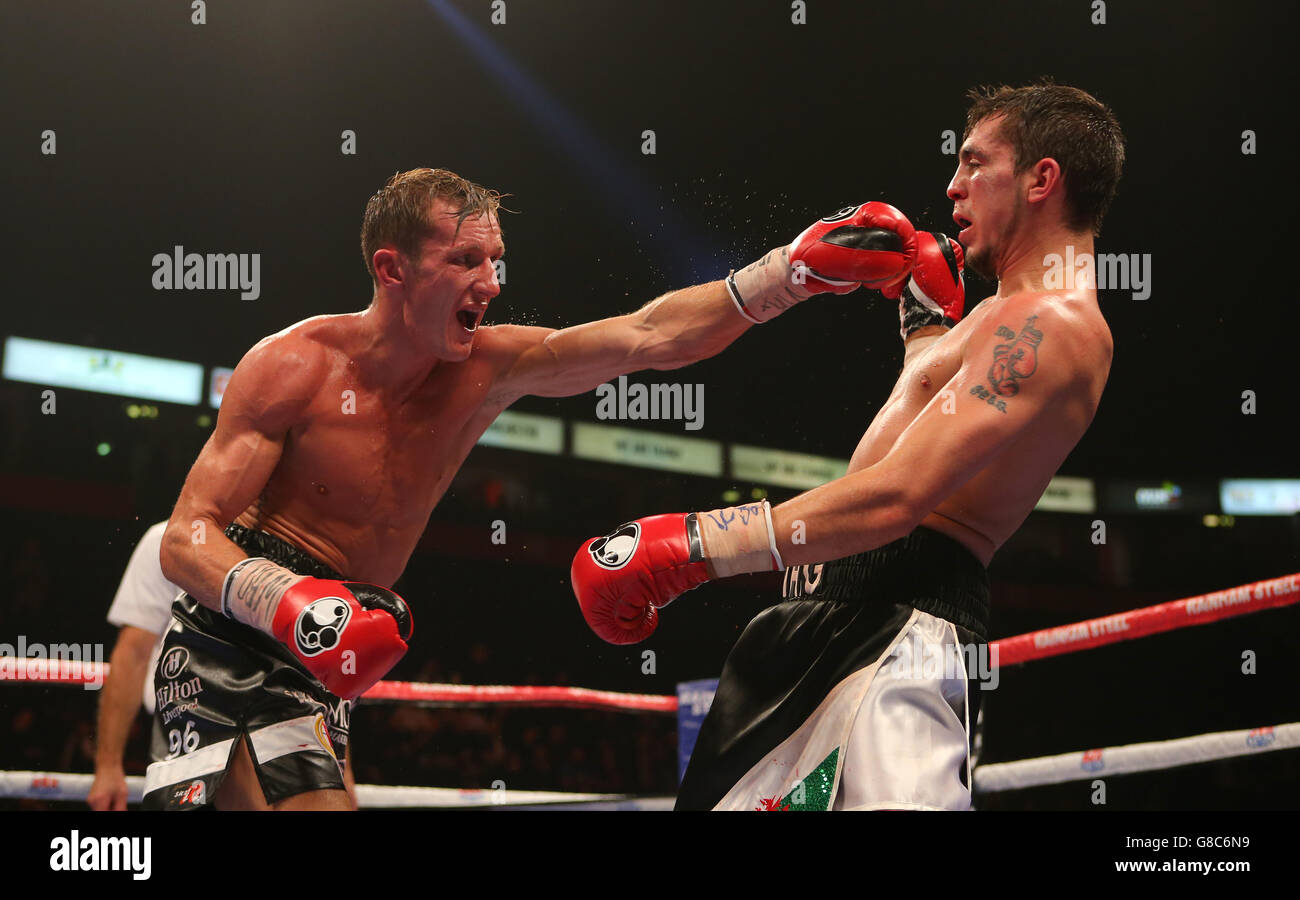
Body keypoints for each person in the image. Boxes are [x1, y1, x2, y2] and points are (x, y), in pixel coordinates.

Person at [143, 167, 919, 810]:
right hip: (231, 638)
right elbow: (184, 540)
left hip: (332, 650)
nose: (490, 282)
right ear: (391, 269)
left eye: (495, 260)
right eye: (465, 260)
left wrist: (786, 274)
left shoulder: (486, 369)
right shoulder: (294, 366)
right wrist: (290, 602)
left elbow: (648, 336)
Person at [571, 82, 1125, 811]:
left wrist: (697, 545)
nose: (952, 186)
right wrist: (925, 326)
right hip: (822, 617)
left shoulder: (1052, 323)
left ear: (1041, 179)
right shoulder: (1001, 317)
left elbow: (899, 495)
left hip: (895, 630)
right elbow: (922, 417)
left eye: (974, 162)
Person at [90, 521, 359, 809]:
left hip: (279, 718)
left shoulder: (301, 550)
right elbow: (132, 655)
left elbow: (315, 675)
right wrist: (108, 763)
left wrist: (338, 764)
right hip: (186, 720)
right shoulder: (172, 539)